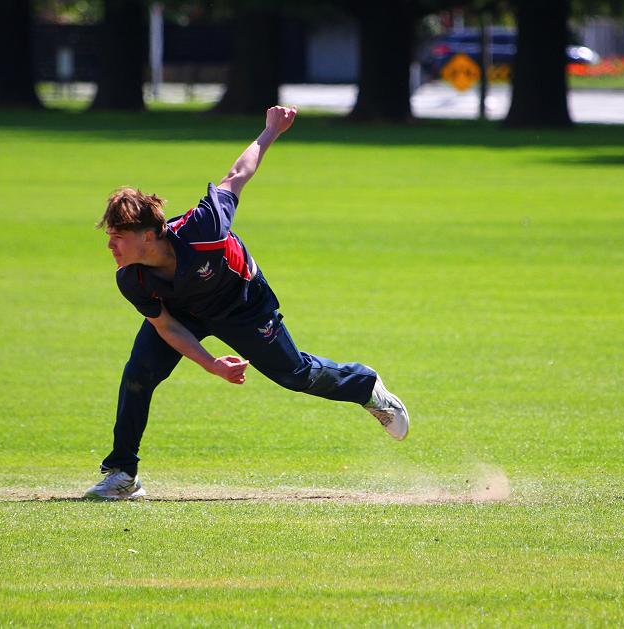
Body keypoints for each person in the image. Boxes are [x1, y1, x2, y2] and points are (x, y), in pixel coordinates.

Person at [86, 105, 408, 500]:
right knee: (139, 374)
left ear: (148, 236)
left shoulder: (203, 229)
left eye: (118, 235)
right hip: (185, 311)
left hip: (242, 306)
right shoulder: (132, 278)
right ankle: (122, 473)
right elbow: (167, 326)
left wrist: (270, 130)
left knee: (295, 374)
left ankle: (365, 386)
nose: (110, 244)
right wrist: (212, 364)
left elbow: (237, 176)